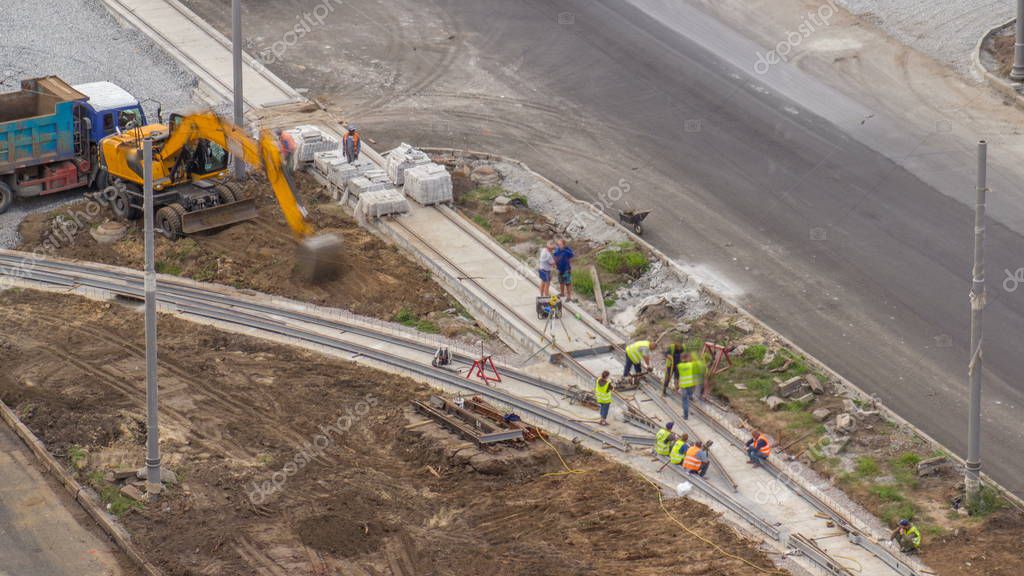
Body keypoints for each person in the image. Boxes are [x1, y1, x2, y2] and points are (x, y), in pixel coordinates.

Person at [677, 352, 704, 420]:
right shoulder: (691, 365)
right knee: (689, 395)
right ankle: (691, 397)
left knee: (685, 401)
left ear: (681, 359)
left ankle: (685, 416)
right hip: (690, 385)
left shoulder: (679, 366)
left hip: (684, 386)